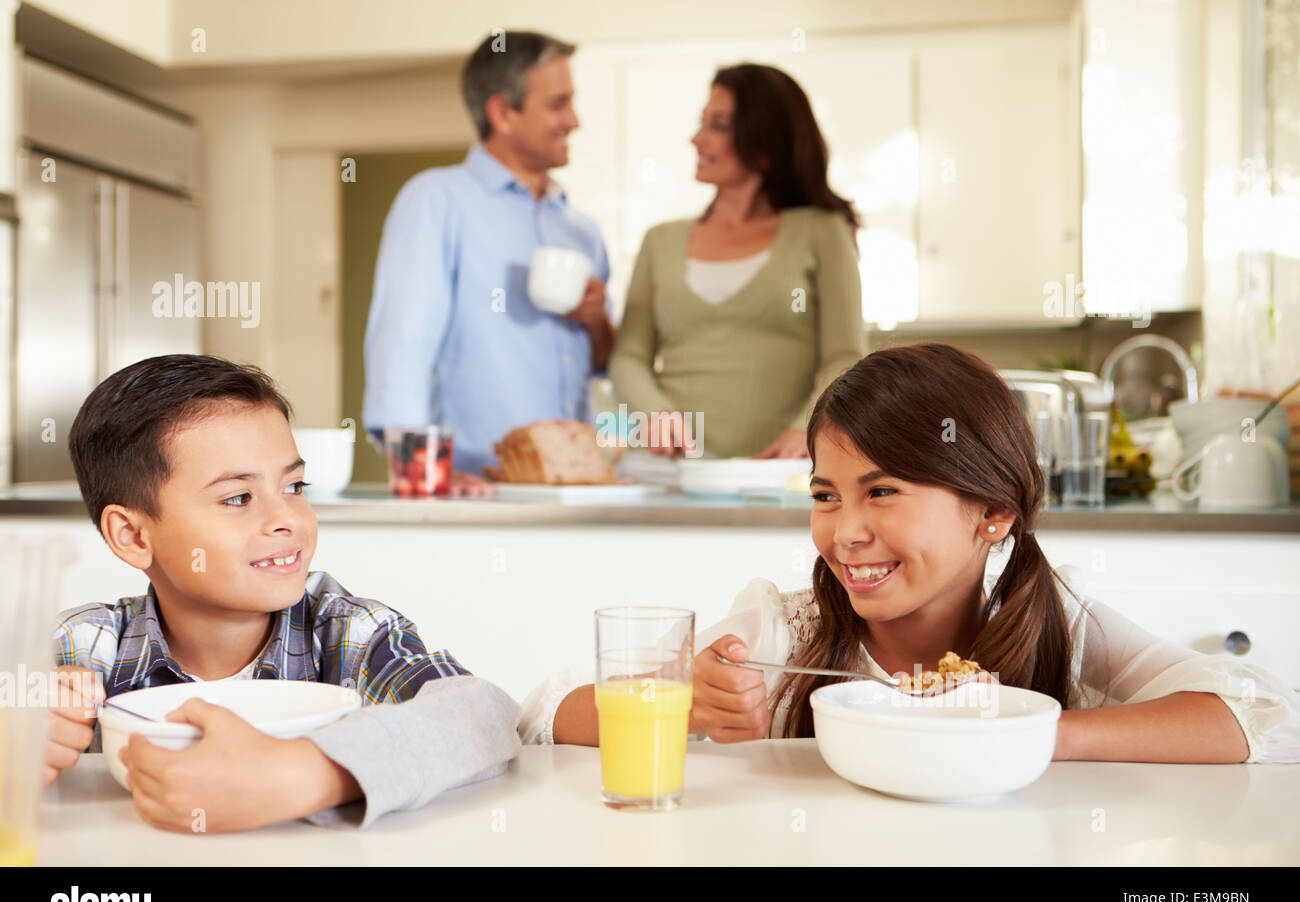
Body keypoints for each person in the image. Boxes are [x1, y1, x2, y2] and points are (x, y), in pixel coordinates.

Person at [522, 344, 1300, 763]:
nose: (845, 532)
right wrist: (688, 693)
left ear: (993, 511)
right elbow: (543, 715)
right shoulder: (782, 634)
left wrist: (1024, 733)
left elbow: (1262, 716)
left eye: (883, 492)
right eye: (826, 496)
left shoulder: (1056, 622)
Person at [46, 354, 522, 832]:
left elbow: (482, 716)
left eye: (295, 485)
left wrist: (310, 774)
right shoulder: (82, 647)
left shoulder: (349, 634)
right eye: (237, 498)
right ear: (132, 536)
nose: (288, 518)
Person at [362, 30, 615, 481]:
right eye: (558, 104)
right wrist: (425, 475)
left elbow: (604, 363)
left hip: (571, 488)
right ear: (503, 112)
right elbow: (401, 349)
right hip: (475, 486)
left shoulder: (581, 230)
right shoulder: (437, 200)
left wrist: (597, 321)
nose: (574, 120)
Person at [609, 63, 865, 460]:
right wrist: (655, 413)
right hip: (670, 470)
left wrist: (808, 429)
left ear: (763, 146)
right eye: (702, 122)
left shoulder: (822, 232)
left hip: (777, 472)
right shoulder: (660, 240)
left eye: (719, 126)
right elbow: (628, 356)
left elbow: (845, 355)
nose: (696, 138)